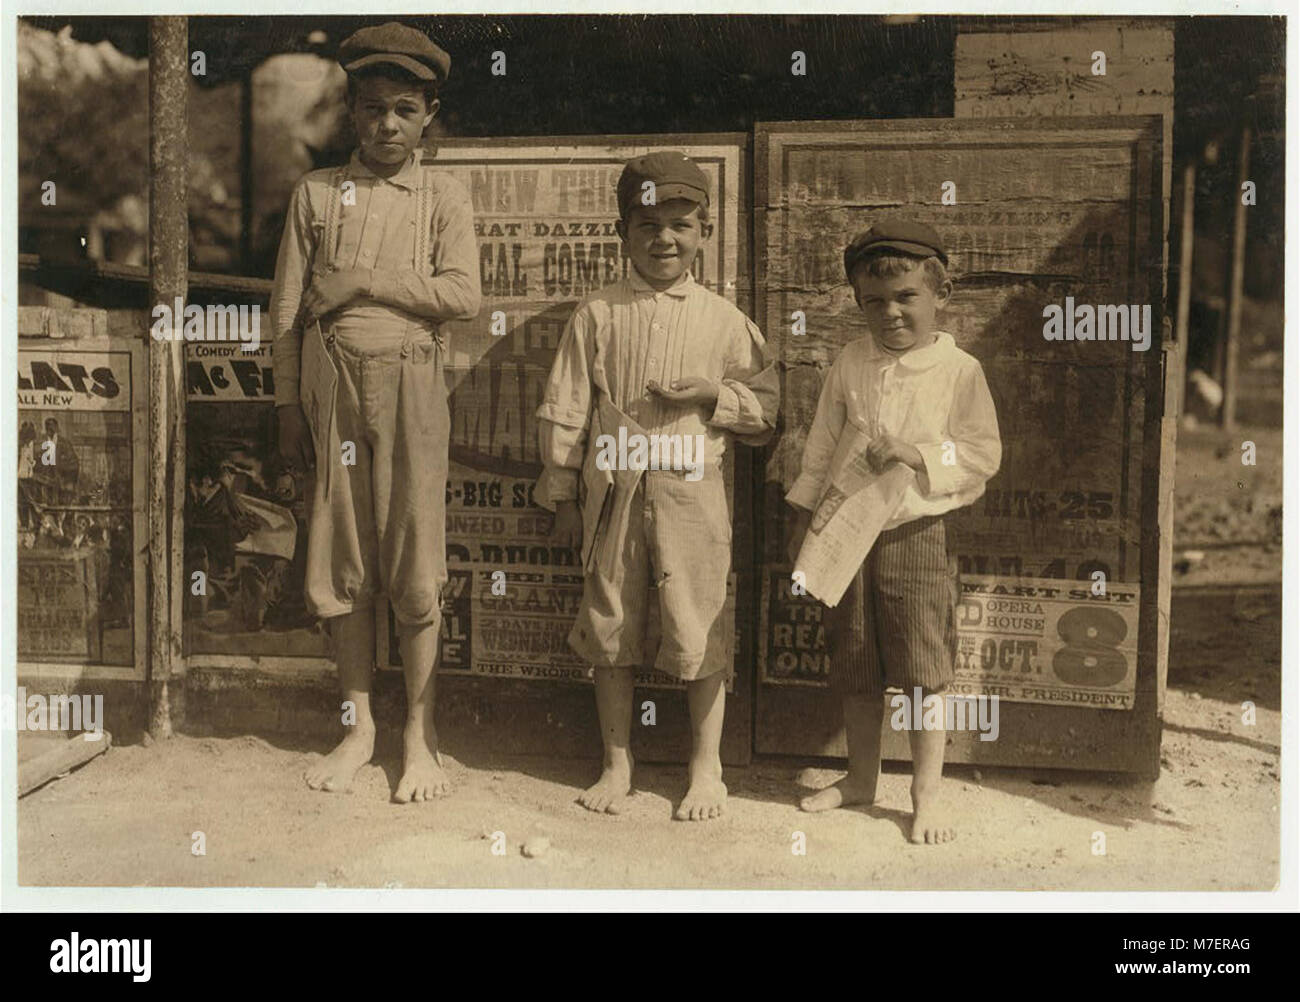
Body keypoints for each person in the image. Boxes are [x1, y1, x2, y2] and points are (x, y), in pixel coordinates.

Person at [269, 22, 480, 802]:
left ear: (429, 113)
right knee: (341, 562)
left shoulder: (443, 196)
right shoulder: (317, 192)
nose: (385, 125)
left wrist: (362, 279)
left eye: (403, 109)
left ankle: (419, 739)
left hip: (414, 390)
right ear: (350, 113)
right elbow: (288, 310)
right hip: (333, 395)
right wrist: (288, 403)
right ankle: (358, 729)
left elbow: (462, 296)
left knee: (415, 564)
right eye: (370, 109)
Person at [536, 151, 779, 820]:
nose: (663, 239)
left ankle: (707, 770)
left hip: (692, 489)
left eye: (680, 224)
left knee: (697, 621)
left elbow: (765, 412)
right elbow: (566, 406)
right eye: (647, 224)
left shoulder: (725, 319)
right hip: (613, 488)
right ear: (622, 231)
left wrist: (715, 396)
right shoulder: (598, 312)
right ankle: (617, 764)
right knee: (611, 621)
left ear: (703, 232)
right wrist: (559, 490)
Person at [786, 220, 1001, 844]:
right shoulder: (852, 361)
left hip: (917, 534)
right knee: (855, 657)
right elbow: (824, 443)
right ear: (857, 302)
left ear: (941, 294)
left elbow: (984, 455)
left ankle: (924, 794)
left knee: (921, 663)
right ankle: (859, 780)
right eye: (874, 301)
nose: (891, 313)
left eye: (906, 296)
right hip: (847, 533)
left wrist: (919, 453)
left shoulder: (959, 371)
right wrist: (805, 516)